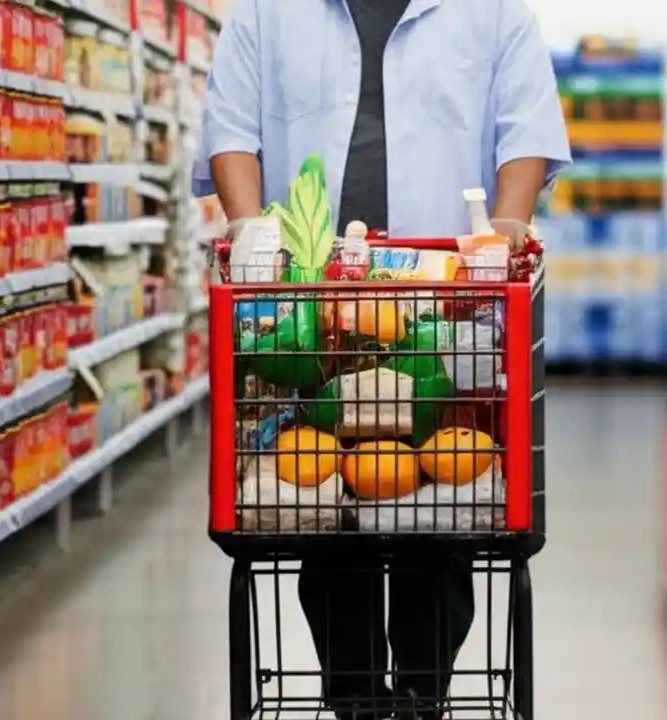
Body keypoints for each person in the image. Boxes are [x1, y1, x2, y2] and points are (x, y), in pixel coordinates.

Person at [194, 1, 568, 717]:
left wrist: (510, 224)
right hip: (311, 312)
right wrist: (248, 232)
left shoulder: (491, 11)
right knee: (324, 493)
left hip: (450, 302)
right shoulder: (268, 12)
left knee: (446, 502)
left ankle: (425, 692)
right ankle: (354, 696)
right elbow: (232, 127)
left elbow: (528, 126)